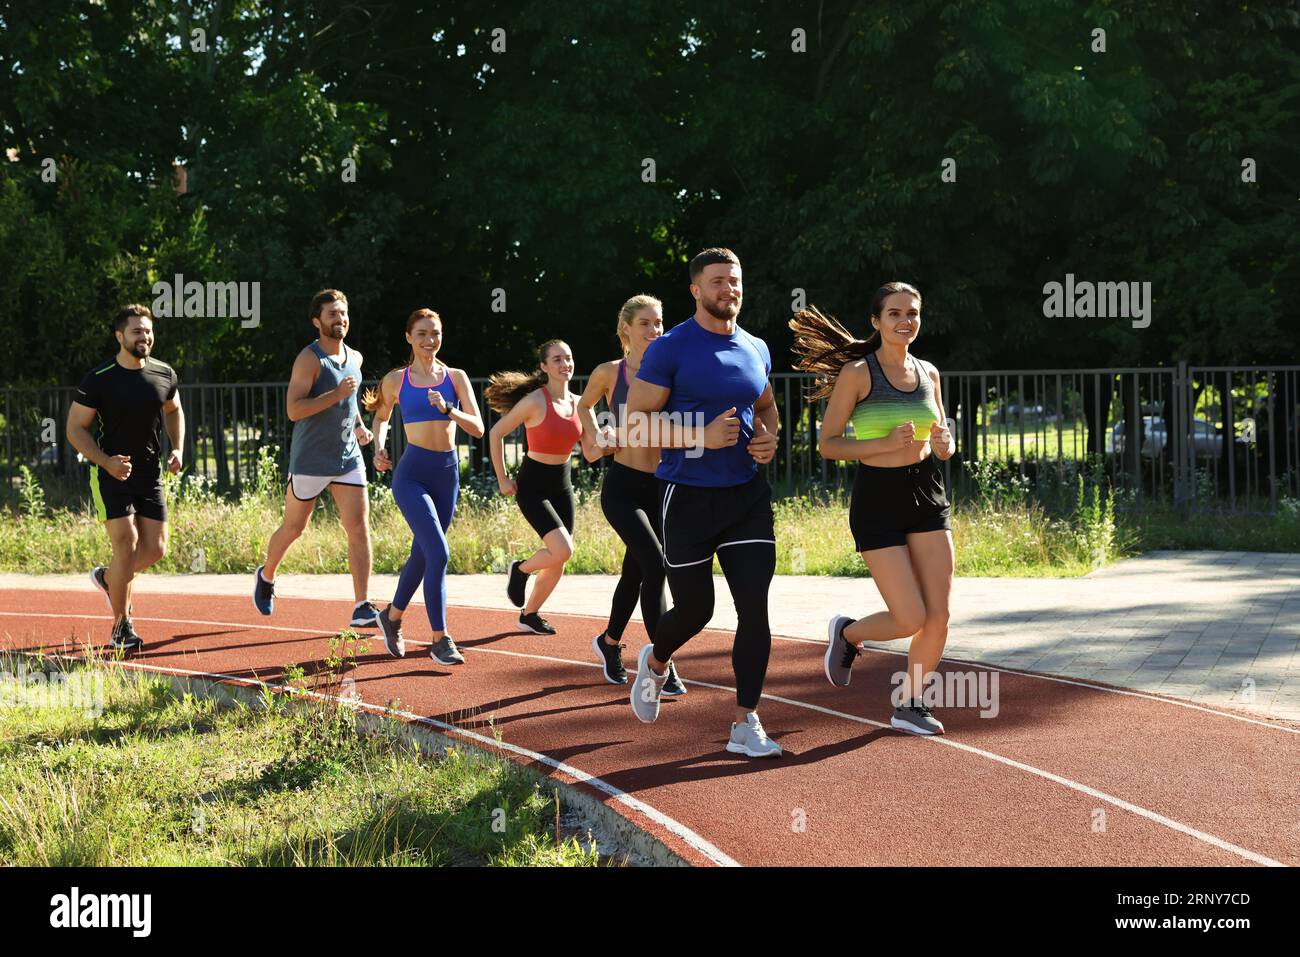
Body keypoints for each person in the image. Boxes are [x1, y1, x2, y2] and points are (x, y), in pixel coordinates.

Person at [625, 247, 783, 758]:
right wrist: (700, 433)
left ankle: (746, 721)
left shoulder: (756, 347)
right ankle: (656, 658)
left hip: (746, 497)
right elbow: (634, 424)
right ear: (696, 289)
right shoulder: (669, 349)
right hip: (687, 496)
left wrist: (768, 440)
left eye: (734, 281)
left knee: (754, 609)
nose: (728, 290)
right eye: (717, 282)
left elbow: (767, 408)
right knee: (695, 609)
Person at [789, 283, 956, 735]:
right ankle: (848, 634)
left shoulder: (929, 373)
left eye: (914, 313)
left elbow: (941, 439)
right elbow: (828, 444)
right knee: (910, 617)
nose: (907, 321)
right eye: (896, 313)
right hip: (877, 500)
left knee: (938, 616)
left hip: (926, 495)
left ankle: (910, 703)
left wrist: (944, 444)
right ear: (876, 321)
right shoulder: (859, 373)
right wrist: (882, 443)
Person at [361, 308, 484, 665]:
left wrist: (449, 410)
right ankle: (440, 638)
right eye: (422, 334)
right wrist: (380, 449)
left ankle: (392, 616)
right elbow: (381, 416)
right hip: (411, 474)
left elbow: (477, 427)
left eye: (436, 334)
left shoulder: (456, 377)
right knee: (440, 553)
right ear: (409, 338)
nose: (430, 341)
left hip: (447, 474)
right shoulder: (397, 380)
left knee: (424, 554)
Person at [577, 295, 685, 695]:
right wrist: (598, 436)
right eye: (645, 323)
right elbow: (584, 406)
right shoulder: (610, 372)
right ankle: (662, 662)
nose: (655, 330)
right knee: (656, 566)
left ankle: (608, 643)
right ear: (626, 328)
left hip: (662, 488)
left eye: (658, 323)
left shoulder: (671, 370)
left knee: (635, 571)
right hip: (623, 487)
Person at [252, 289, 380, 628]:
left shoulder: (355, 357)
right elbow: (294, 410)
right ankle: (266, 576)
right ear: (317, 321)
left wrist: (360, 429)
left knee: (358, 528)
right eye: (332, 315)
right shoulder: (309, 360)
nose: (340, 319)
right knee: (294, 527)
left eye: (343, 313)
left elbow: (349, 405)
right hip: (310, 459)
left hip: (347, 458)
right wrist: (334, 394)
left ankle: (362, 605)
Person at [68, 304, 184, 652]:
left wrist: (177, 448)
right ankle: (122, 626)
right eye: (136, 331)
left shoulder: (164, 373)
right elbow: (75, 428)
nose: (144, 337)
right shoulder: (99, 378)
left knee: (157, 549)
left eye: (148, 330)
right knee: (127, 542)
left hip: (149, 473)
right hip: (109, 473)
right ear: (120, 336)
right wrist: (106, 461)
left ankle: (109, 578)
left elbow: (174, 409)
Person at [486, 341, 584, 635]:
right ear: (544, 366)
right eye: (557, 359)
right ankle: (520, 569)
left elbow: (591, 447)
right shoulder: (534, 401)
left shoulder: (580, 404)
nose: (564, 364)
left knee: (559, 559)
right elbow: (496, 433)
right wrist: (503, 478)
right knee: (563, 549)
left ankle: (529, 614)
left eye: (568, 358)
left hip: (562, 484)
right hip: (533, 486)